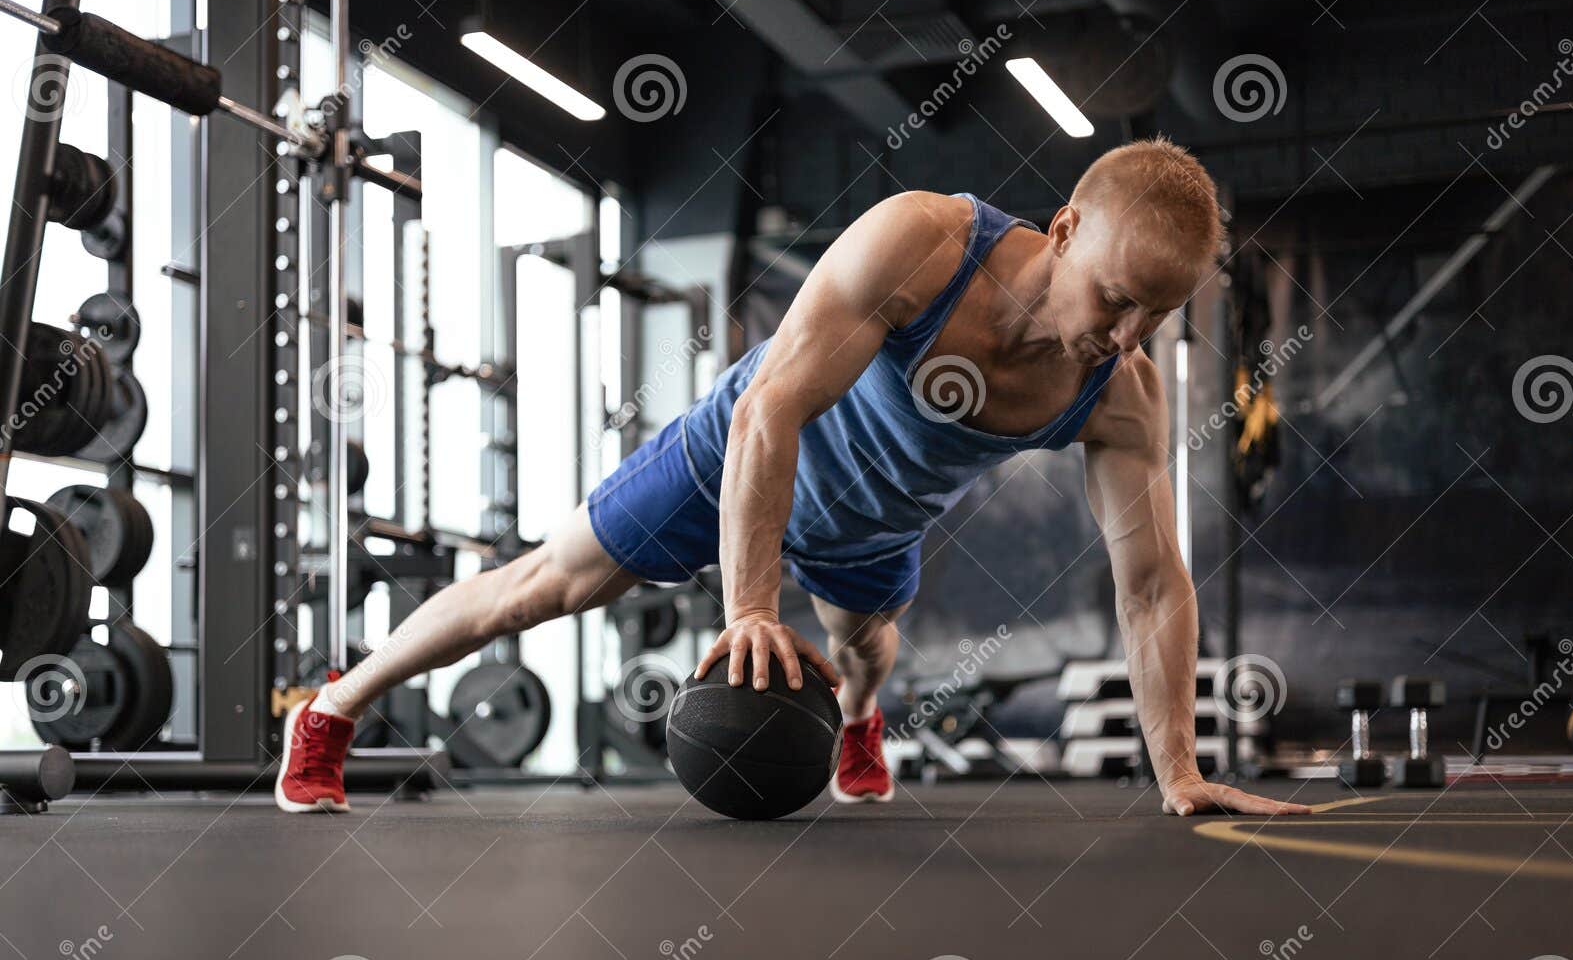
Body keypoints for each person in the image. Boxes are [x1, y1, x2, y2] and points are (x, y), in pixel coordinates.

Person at [277, 136, 1310, 820]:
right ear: (1069, 230)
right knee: (544, 586)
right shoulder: (923, 244)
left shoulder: (1119, 396)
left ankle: (859, 721)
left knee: (863, 648)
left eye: (1159, 315)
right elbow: (770, 411)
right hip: (734, 455)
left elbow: (1151, 583)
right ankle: (332, 710)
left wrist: (1178, 767)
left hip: (871, 528)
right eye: (1119, 299)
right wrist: (751, 609)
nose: (1129, 335)